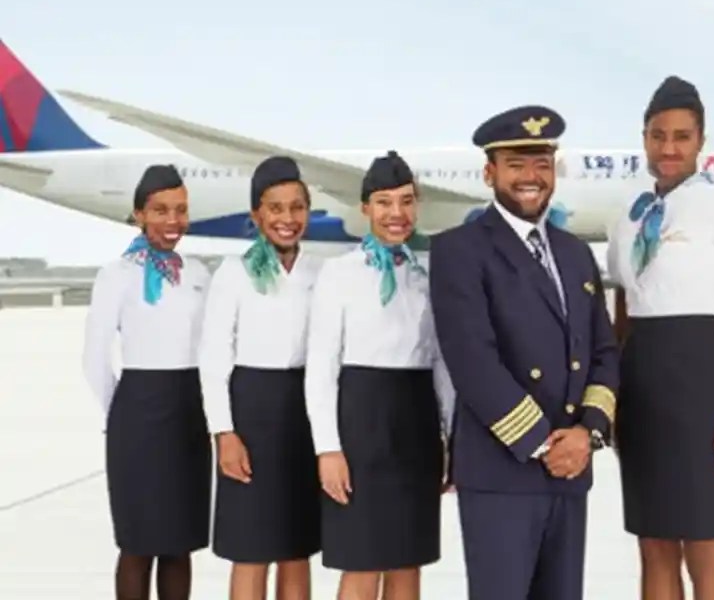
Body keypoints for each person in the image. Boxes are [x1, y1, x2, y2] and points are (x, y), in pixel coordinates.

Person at [428, 105, 620, 600]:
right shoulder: (459, 250)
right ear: (490, 172)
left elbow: (603, 350)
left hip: (570, 469)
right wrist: (543, 444)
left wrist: (588, 435)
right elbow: (472, 360)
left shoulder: (575, 252)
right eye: (516, 165)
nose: (531, 177)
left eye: (541, 164)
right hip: (503, 471)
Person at [607, 75, 714, 599]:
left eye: (682, 135)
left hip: (702, 386)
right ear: (644, 138)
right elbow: (623, 309)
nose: (669, 147)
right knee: (653, 544)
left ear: (701, 140)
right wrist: (612, 396)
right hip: (640, 389)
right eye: (658, 135)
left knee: (705, 545)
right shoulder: (628, 216)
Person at [304, 150, 456, 600]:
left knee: (409, 562)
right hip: (360, 424)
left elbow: (440, 362)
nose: (397, 214)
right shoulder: (338, 273)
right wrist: (328, 448)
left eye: (406, 201)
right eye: (385, 202)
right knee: (362, 562)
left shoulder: (426, 274)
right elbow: (321, 366)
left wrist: (449, 436)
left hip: (417, 425)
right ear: (365, 208)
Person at [81, 164, 212, 600]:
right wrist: (122, 414)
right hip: (137, 416)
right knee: (138, 544)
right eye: (160, 211)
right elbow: (94, 356)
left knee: (180, 543)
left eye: (180, 210)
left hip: (189, 415)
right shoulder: (116, 274)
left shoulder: (196, 273)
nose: (172, 221)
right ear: (139, 214)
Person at [199, 156, 323, 600]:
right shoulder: (233, 274)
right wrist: (224, 433)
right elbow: (213, 359)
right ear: (256, 215)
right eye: (275, 208)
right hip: (250, 412)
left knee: (297, 545)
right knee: (250, 548)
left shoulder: (320, 274)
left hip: (304, 415)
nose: (287, 219)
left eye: (297, 207)